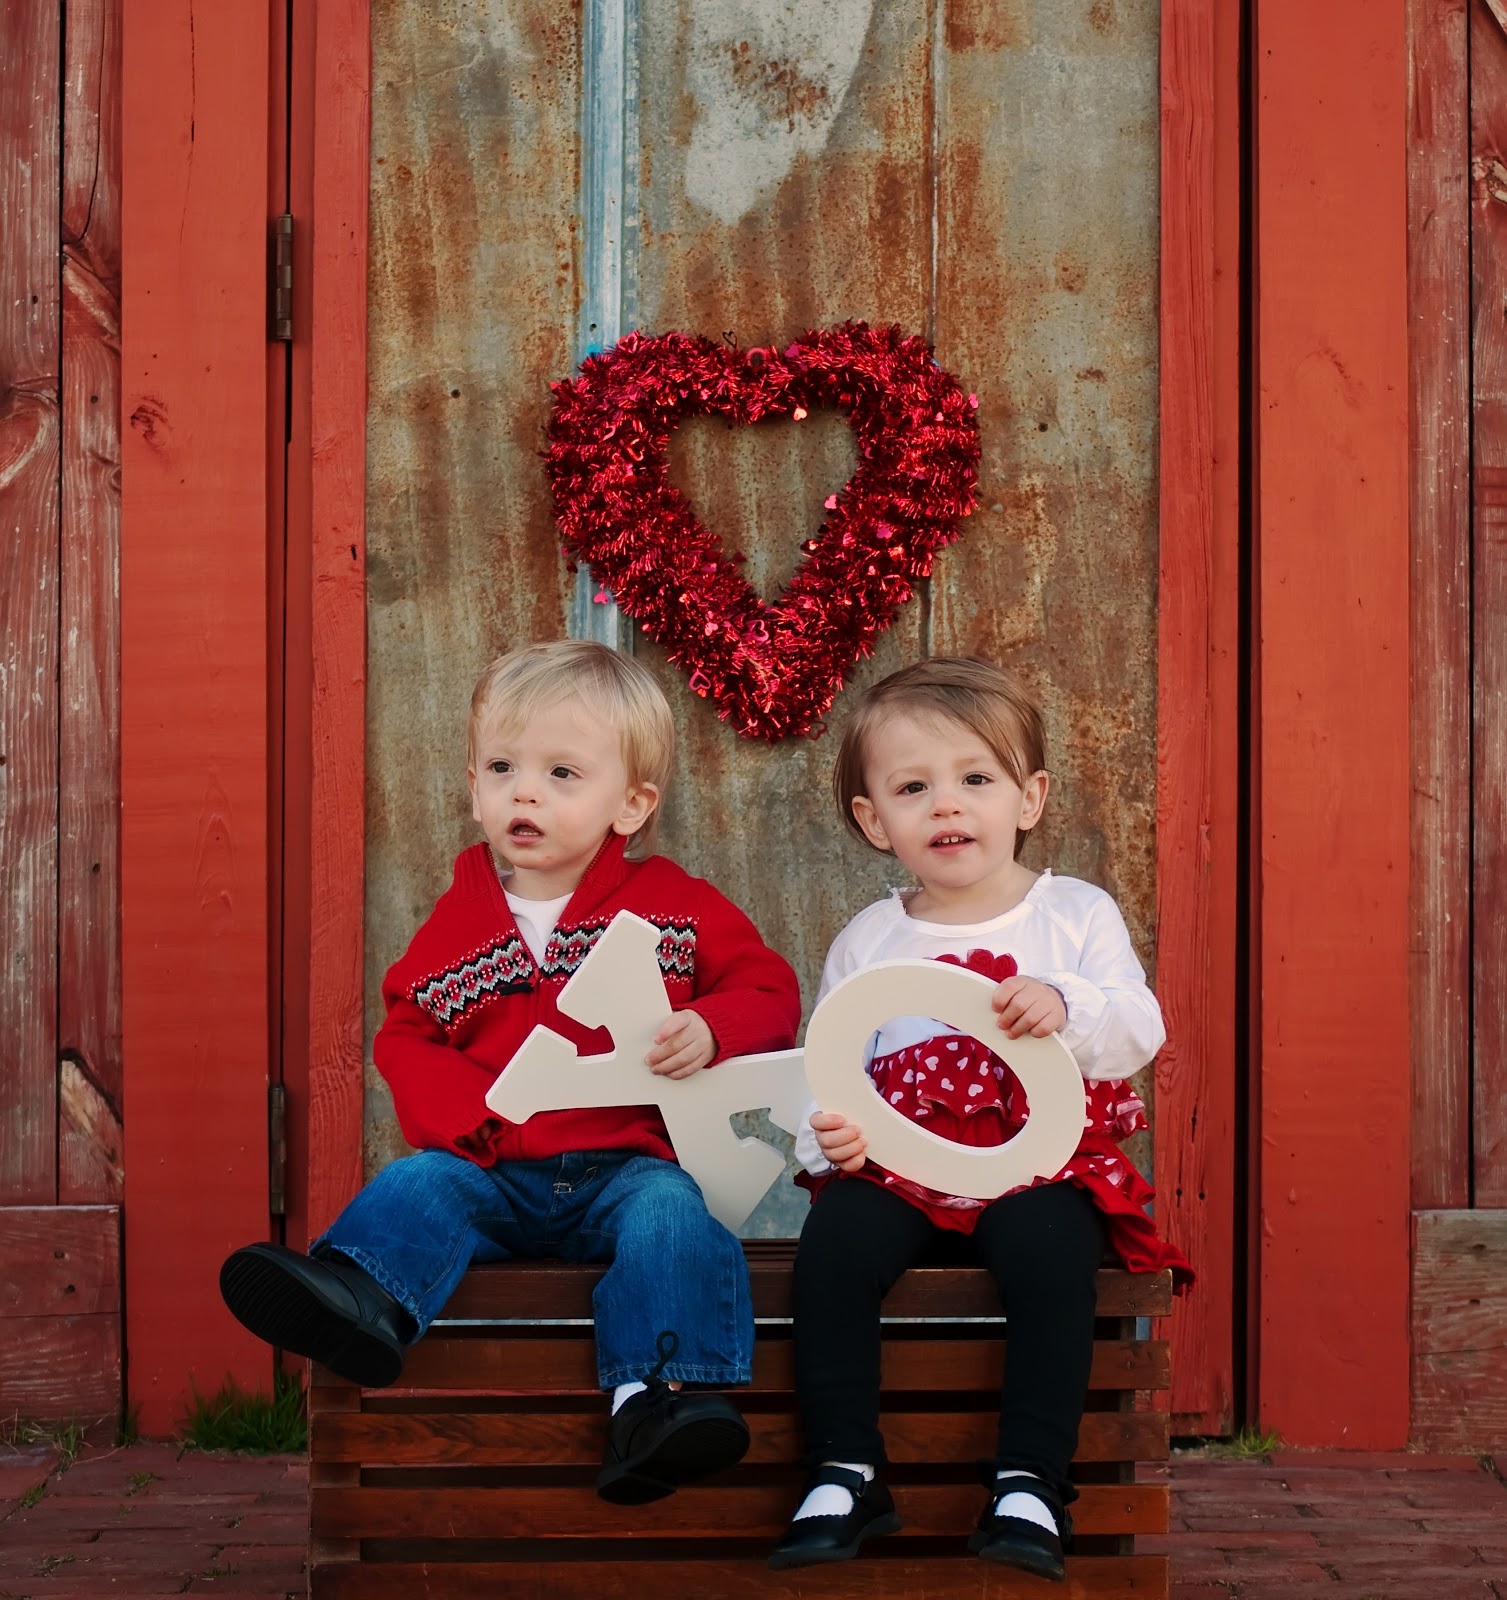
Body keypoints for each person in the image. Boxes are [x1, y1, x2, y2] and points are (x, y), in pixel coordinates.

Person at [221, 639, 802, 1505]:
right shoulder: (461, 923)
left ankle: (660, 1401)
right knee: (421, 1181)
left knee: (675, 1219)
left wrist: (711, 1027)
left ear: (629, 805)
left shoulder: (673, 907)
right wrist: (476, 1119)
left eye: (562, 773)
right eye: (501, 768)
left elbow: (768, 987)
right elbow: (407, 1036)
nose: (523, 791)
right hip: (492, 1168)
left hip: (623, 1169)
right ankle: (359, 1303)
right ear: (474, 788)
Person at [769, 656, 1192, 1579]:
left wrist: (1065, 1004)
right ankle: (845, 1467)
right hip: (903, 1164)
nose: (946, 806)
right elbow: (827, 1062)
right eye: (913, 788)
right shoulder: (870, 938)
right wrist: (829, 1135)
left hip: (1034, 1162)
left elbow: (1138, 1028)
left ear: (1027, 798)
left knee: (1050, 1254)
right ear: (874, 821)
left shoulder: (1072, 915)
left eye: (975, 780)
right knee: (834, 1246)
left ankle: (1029, 1481)